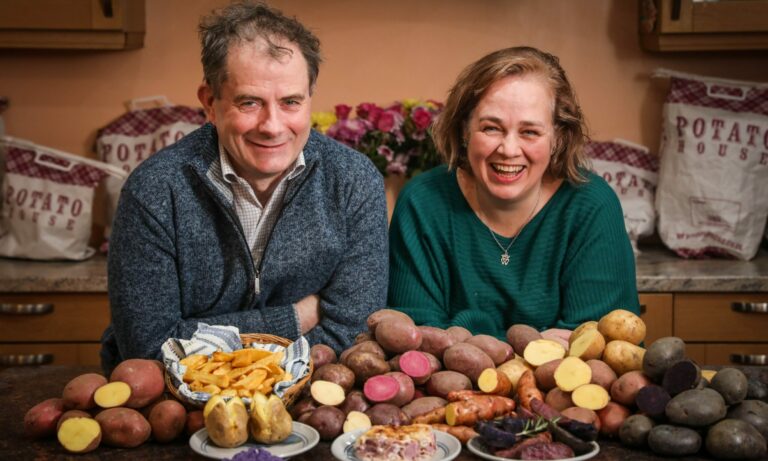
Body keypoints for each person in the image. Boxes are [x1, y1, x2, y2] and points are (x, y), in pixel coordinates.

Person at [101, 1, 388, 373]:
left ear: (309, 98)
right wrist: (295, 317)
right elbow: (150, 348)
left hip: (311, 399)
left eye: (291, 102)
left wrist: (202, 336)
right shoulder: (155, 190)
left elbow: (352, 334)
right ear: (210, 102)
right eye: (250, 103)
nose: (272, 126)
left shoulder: (354, 181)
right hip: (174, 401)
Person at [387, 46, 639, 339]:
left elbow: (602, 343)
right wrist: (542, 340)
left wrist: (463, 336)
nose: (508, 150)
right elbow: (416, 340)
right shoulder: (422, 202)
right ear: (465, 130)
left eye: (529, 132)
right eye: (491, 128)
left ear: (558, 138)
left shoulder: (591, 205)